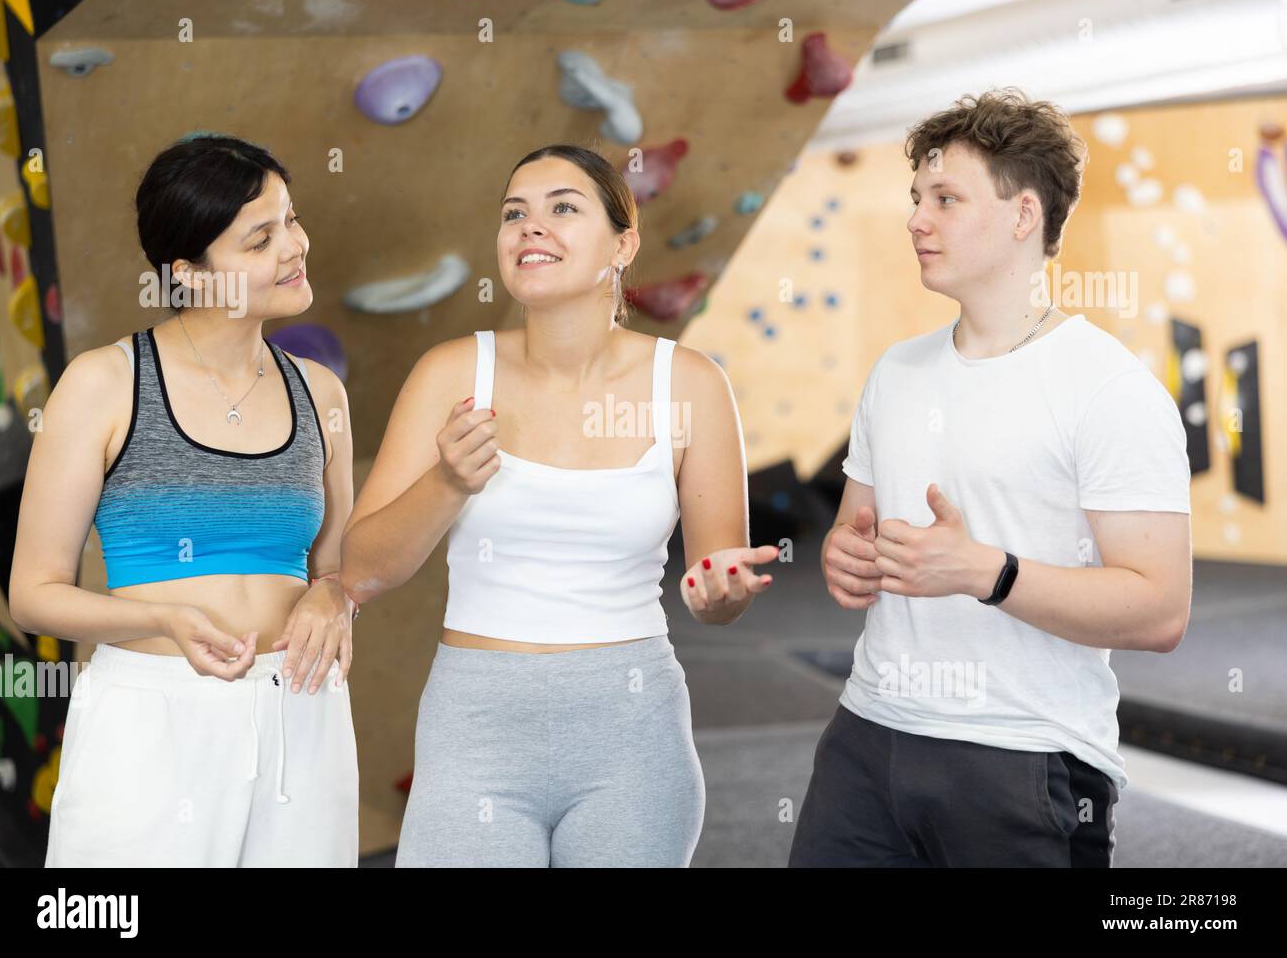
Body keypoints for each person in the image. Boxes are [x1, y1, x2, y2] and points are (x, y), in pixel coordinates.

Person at [341, 144, 777, 867]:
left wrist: (722, 593)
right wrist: (447, 482)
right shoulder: (451, 372)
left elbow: (714, 580)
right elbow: (362, 570)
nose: (530, 227)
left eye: (563, 209)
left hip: (631, 736)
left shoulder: (690, 383)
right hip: (475, 727)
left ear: (623, 243)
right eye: (515, 213)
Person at [789, 89, 1193, 867]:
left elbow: (1158, 610)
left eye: (945, 198)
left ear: (1023, 216)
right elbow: (854, 529)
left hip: (1026, 758)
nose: (915, 219)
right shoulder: (896, 371)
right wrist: (846, 554)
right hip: (867, 739)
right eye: (916, 198)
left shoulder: (1109, 387)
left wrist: (988, 573)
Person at [10, 134, 360, 867]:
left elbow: (333, 568)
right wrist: (159, 616)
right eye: (260, 238)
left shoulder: (320, 392)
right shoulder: (103, 384)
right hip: (149, 716)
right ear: (190, 274)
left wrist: (335, 596)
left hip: (302, 708)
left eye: (291, 220)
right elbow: (34, 595)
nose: (295, 246)